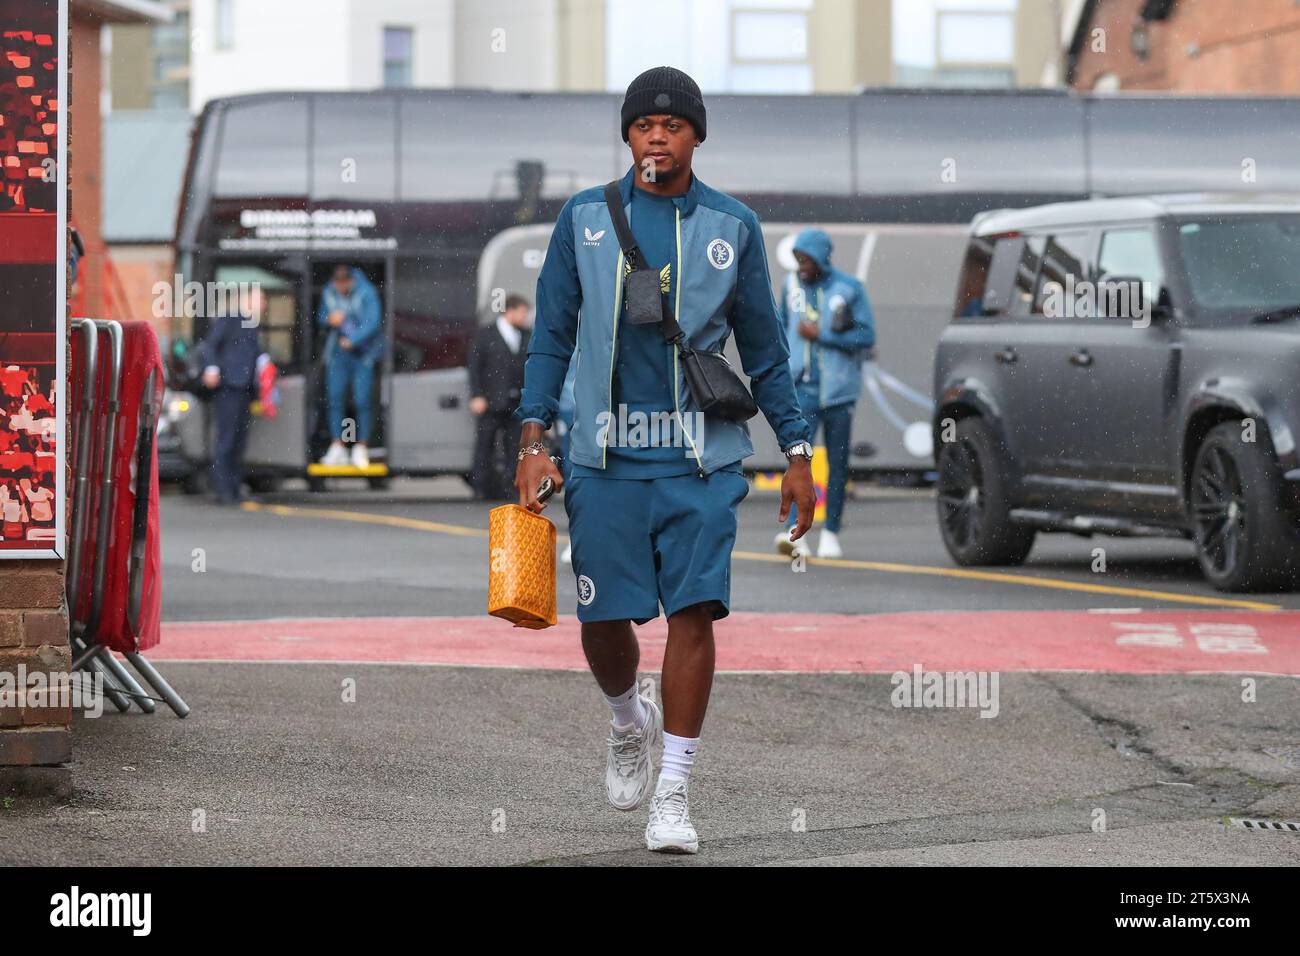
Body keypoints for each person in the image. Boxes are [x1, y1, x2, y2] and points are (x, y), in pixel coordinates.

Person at [514, 66, 815, 855]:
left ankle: (674, 792)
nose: (658, 134)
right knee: (602, 618)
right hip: (603, 457)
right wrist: (534, 440)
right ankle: (626, 720)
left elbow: (767, 352)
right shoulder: (583, 219)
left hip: (702, 460)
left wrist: (798, 450)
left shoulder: (734, 225)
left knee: (694, 613)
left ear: (696, 135)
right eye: (644, 123)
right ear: (627, 135)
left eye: (673, 124)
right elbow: (550, 335)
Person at [774, 229, 875, 560]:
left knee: (838, 463)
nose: (801, 266)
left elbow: (866, 335)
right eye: (798, 259)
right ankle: (795, 533)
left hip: (838, 391)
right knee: (798, 460)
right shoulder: (790, 286)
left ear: (821, 258)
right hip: (802, 389)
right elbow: (779, 329)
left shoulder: (849, 288)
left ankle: (831, 531)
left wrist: (825, 335)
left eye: (806, 259)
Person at [317, 265, 383, 468]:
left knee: (361, 400)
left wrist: (353, 339)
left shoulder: (367, 291)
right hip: (337, 355)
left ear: (350, 282)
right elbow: (320, 317)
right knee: (336, 398)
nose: (338, 289)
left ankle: (360, 446)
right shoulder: (329, 292)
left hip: (362, 356)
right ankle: (339, 445)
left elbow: (373, 322)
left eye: (342, 286)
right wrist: (330, 319)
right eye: (336, 286)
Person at [467, 294, 532, 499]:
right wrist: (477, 394)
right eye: (522, 313)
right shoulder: (485, 335)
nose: (524, 318)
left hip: (516, 401)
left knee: (514, 446)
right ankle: (481, 486)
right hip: (491, 399)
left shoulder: (526, 335)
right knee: (485, 444)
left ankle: (510, 487)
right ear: (509, 311)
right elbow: (475, 367)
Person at [203, 290, 262, 505]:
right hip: (229, 386)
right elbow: (211, 345)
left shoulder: (251, 324)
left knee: (239, 440)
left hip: (245, 388)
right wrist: (212, 368)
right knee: (226, 439)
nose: (263, 305)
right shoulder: (230, 318)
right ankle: (222, 488)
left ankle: (235, 487)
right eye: (260, 299)